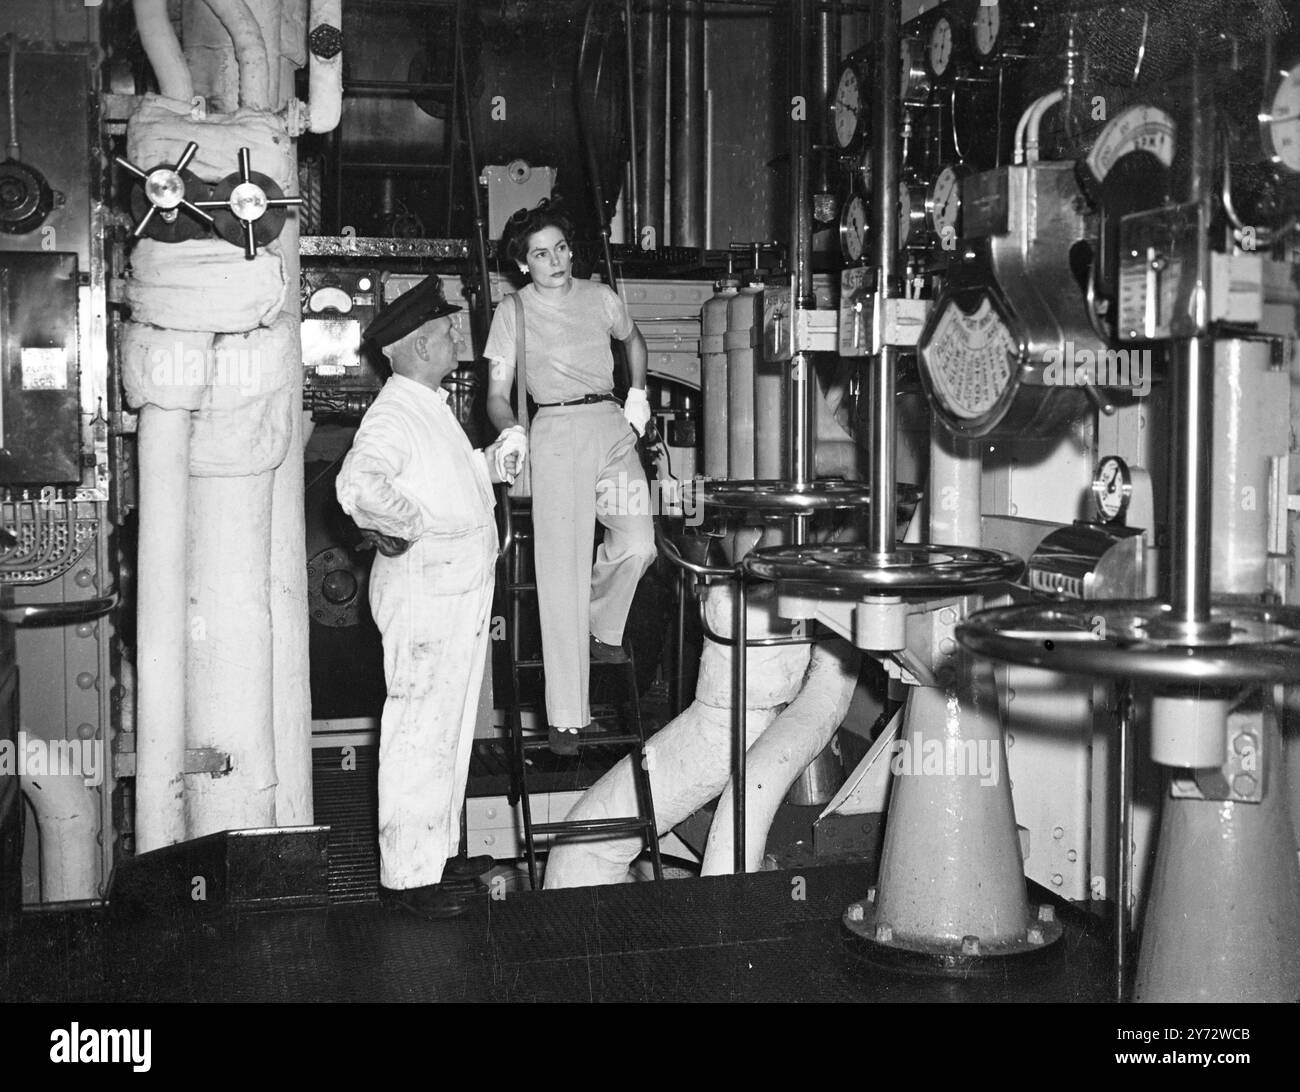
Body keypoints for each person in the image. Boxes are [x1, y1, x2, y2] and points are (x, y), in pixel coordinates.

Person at [336, 274, 516, 920]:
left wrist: (497, 463)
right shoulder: (394, 414)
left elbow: (455, 477)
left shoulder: (428, 406)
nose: (454, 337)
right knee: (418, 732)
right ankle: (408, 884)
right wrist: (406, 524)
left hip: (454, 597)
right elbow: (358, 485)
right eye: (444, 331)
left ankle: (432, 861)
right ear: (414, 346)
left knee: (448, 730)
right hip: (427, 598)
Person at [484, 202, 658, 756]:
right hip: (555, 430)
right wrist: (511, 429)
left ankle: (601, 629)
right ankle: (566, 719)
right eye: (541, 253)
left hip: (610, 423)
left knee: (638, 542)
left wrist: (637, 392)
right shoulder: (512, 312)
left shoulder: (600, 297)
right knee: (560, 573)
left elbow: (632, 339)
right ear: (523, 264)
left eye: (561, 247)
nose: (556, 260)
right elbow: (494, 392)